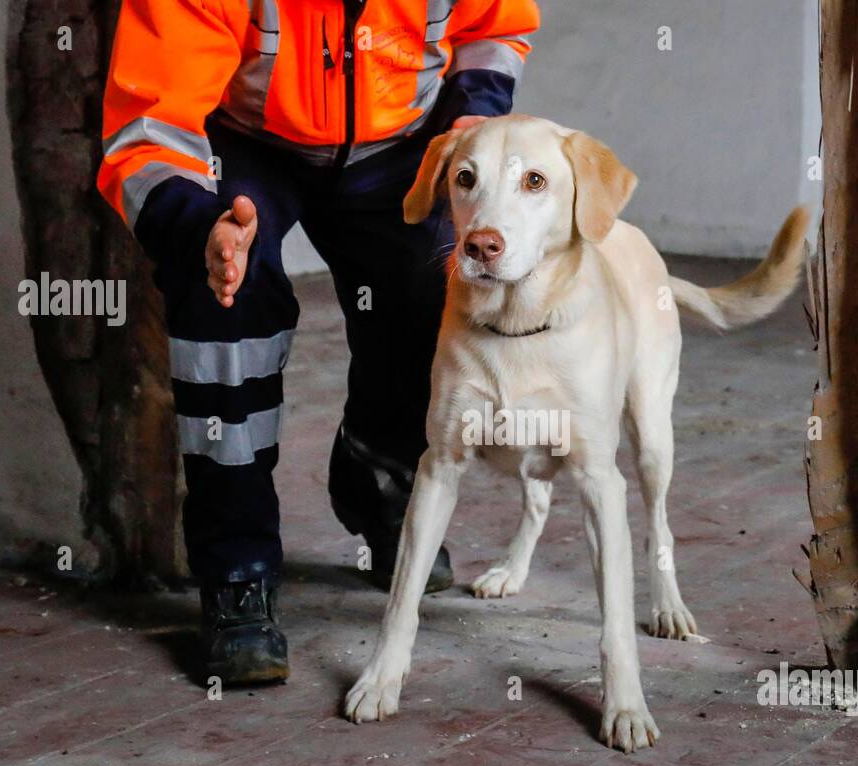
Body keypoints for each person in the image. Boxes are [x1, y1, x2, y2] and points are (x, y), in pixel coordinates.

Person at [97, 0, 540, 685]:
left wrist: (473, 116)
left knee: (438, 297)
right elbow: (147, 130)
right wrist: (197, 229)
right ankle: (236, 569)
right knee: (226, 299)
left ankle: (377, 474)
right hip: (247, 147)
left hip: (406, 146)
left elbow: (496, 27)